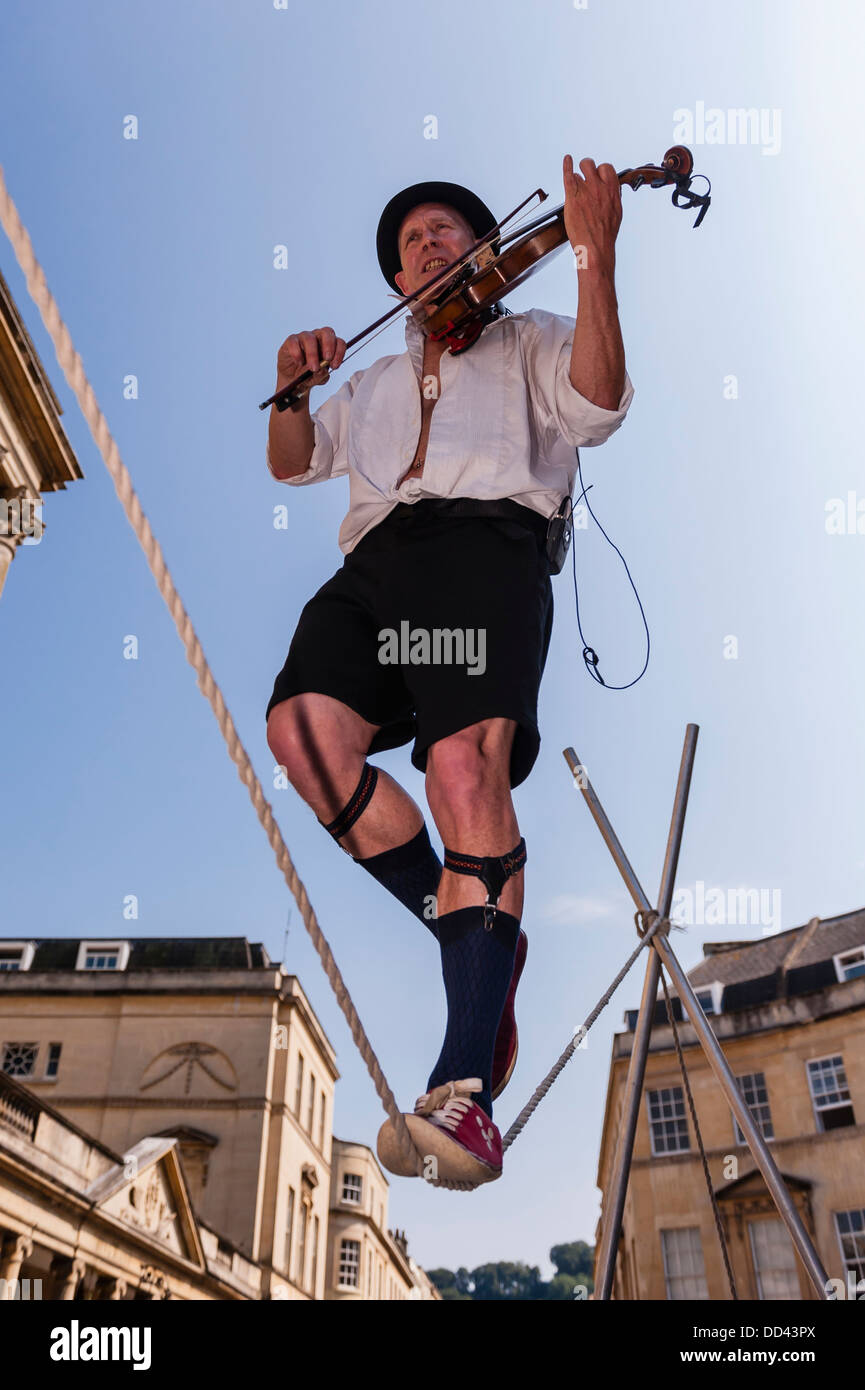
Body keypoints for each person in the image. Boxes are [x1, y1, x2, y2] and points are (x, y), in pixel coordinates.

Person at [265, 156, 634, 1183]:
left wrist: (594, 256)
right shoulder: (376, 376)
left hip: (485, 548)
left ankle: (465, 1093)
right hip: (377, 566)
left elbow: (599, 405)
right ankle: (475, 932)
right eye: (411, 242)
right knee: (302, 735)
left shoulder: (530, 340)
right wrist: (293, 386)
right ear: (396, 281)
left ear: (484, 252)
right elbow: (292, 459)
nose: (430, 245)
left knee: (461, 768)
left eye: (447, 233)